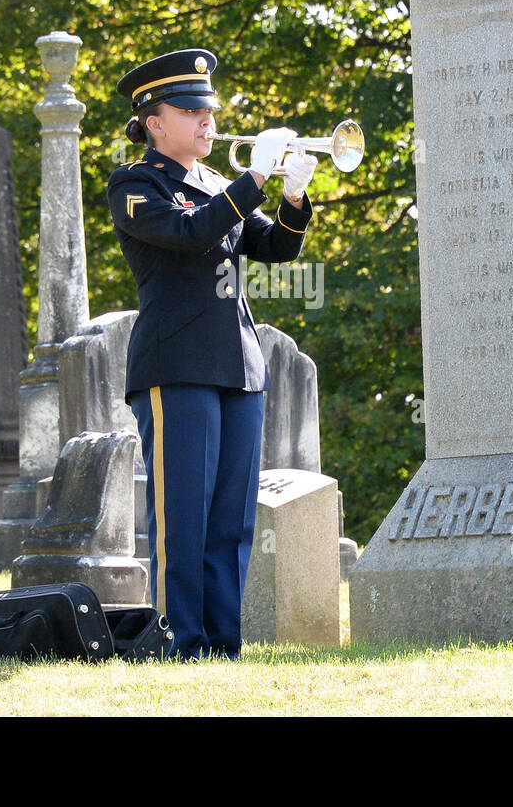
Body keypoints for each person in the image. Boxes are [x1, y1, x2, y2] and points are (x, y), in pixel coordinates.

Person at [107, 48, 316, 660]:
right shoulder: (136, 184)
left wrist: (294, 198)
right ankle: (179, 641)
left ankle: (223, 646)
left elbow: (275, 248)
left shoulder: (215, 185)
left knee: (231, 521)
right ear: (154, 122)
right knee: (184, 518)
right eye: (191, 111)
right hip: (176, 367)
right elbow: (188, 234)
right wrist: (254, 180)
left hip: (237, 366)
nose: (207, 122)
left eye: (209, 110)